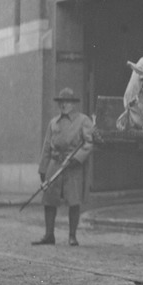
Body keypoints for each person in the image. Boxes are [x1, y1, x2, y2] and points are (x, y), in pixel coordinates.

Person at [32, 87, 94, 246]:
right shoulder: (53, 122)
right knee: (49, 200)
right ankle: (49, 235)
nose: (64, 105)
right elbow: (47, 146)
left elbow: (89, 143)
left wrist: (77, 158)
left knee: (74, 200)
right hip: (55, 163)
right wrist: (43, 169)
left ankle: (72, 236)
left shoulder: (83, 120)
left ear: (73, 104)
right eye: (61, 102)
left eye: (67, 102)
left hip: (72, 165)